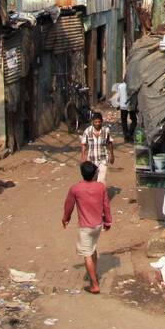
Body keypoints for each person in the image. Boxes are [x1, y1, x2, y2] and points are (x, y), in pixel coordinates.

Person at [62, 160, 112, 294]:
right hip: (97, 225)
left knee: (87, 254)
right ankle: (93, 274)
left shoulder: (75, 189)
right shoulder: (101, 187)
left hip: (85, 227)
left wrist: (66, 219)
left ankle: (95, 285)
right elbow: (106, 205)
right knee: (92, 249)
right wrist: (108, 221)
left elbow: (69, 206)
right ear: (94, 174)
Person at [80, 111, 114, 184]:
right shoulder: (87, 131)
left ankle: (102, 194)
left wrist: (112, 155)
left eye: (99, 122)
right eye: (96, 122)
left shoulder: (106, 130)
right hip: (91, 160)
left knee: (101, 180)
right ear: (92, 122)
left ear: (102, 121)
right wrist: (83, 156)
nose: (97, 124)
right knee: (93, 180)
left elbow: (110, 143)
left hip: (103, 159)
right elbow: (84, 144)